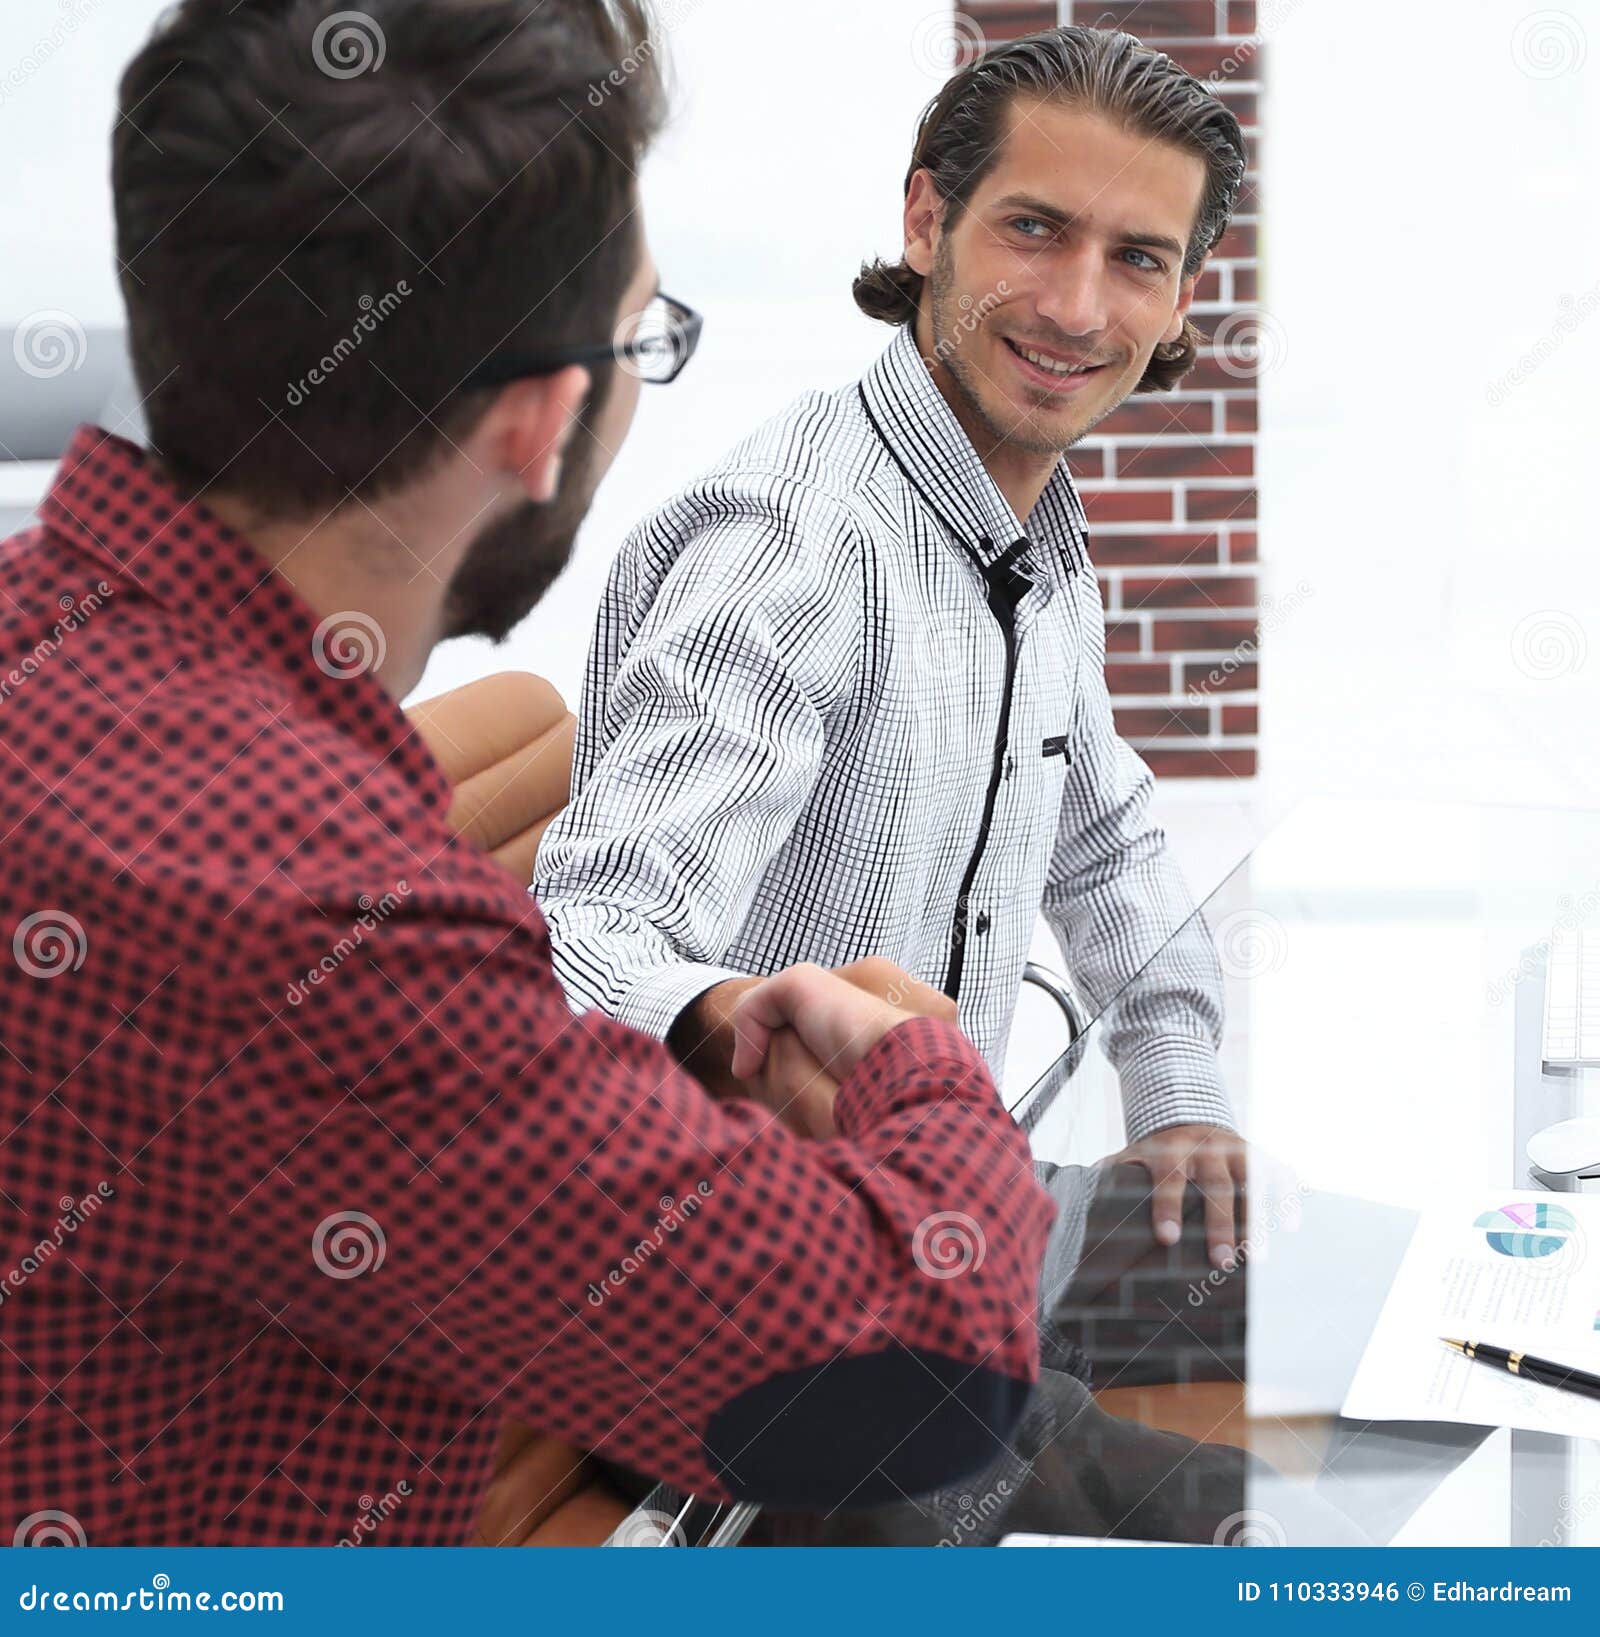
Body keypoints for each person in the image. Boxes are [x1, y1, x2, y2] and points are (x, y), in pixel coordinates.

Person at [0, 0, 1054, 1546]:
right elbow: (928, 1374)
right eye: (644, 340)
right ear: (543, 421)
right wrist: (914, 1063)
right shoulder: (316, 929)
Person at [537, 24, 1251, 1266]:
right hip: (747, 1295)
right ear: (927, 222)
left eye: (1136, 257)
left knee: (1367, 1331)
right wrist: (725, 1020)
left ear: (1181, 295)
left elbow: (1104, 838)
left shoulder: (1026, 529)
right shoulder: (798, 543)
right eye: (1033, 229)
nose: (1078, 308)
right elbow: (577, 943)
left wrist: (1178, 1087)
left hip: (931, 1230)